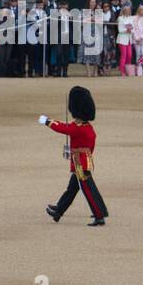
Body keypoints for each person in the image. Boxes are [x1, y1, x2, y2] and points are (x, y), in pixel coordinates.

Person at [38, 85, 108, 227]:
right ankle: (59, 210)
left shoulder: (78, 128)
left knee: (87, 189)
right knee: (73, 189)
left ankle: (99, 216)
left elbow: (62, 128)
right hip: (83, 161)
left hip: (80, 164)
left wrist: (47, 121)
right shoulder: (86, 126)